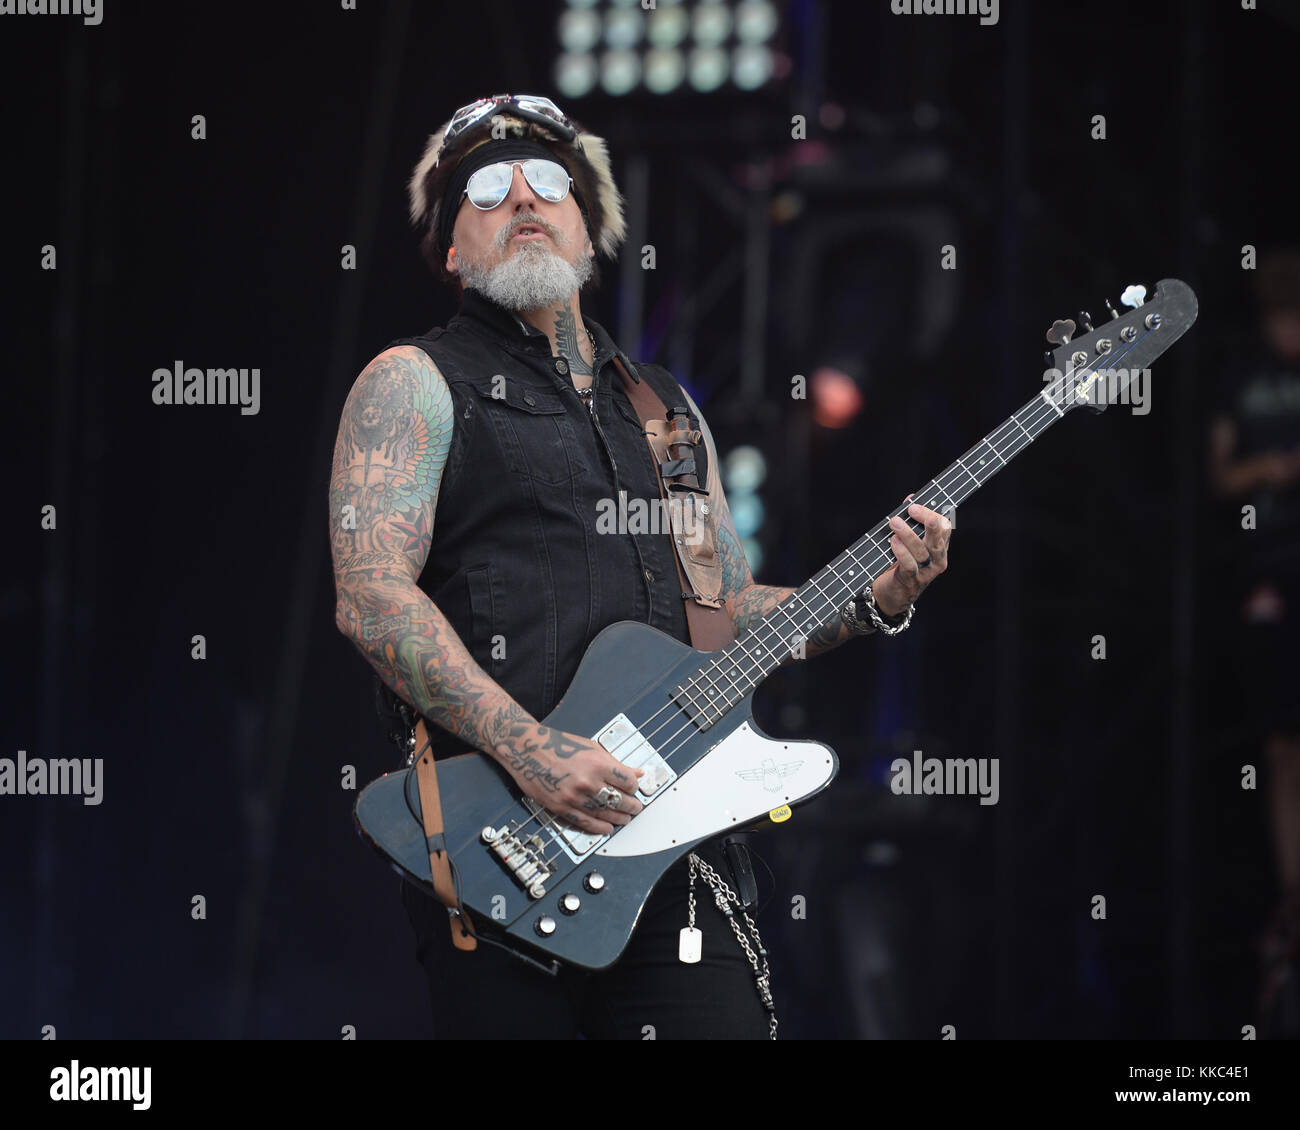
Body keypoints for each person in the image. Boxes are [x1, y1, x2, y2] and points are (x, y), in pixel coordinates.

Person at [328, 93, 954, 1039]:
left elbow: (726, 609)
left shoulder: (665, 412)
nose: (524, 200)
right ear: (451, 248)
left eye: (550, 182)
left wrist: (875, 600)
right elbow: (371, 594)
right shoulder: (413, 381)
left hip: (678, 853)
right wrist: (531, 754)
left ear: (592, 223)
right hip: (504, 850)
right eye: (486, 190)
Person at [1208, 248, 1300, 1035]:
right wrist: (1273, 468)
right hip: (1271, 565)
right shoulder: (1242, 371)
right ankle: (1291, 896)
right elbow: (1222, 475)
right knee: (1280, 745)